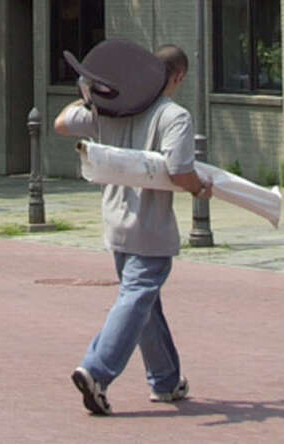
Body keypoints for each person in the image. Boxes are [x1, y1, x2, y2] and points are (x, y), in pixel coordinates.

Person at [54, 42, 212, 416]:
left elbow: (62, 122)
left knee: (143, 302)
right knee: (137, 298)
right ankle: (97, 370)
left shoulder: (113, 109)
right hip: (150, 227)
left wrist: (88, 94)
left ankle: (166, 380)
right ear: (178, 77)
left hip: (115, 222)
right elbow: (179, 170)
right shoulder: (174, 116)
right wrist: (199, 188)